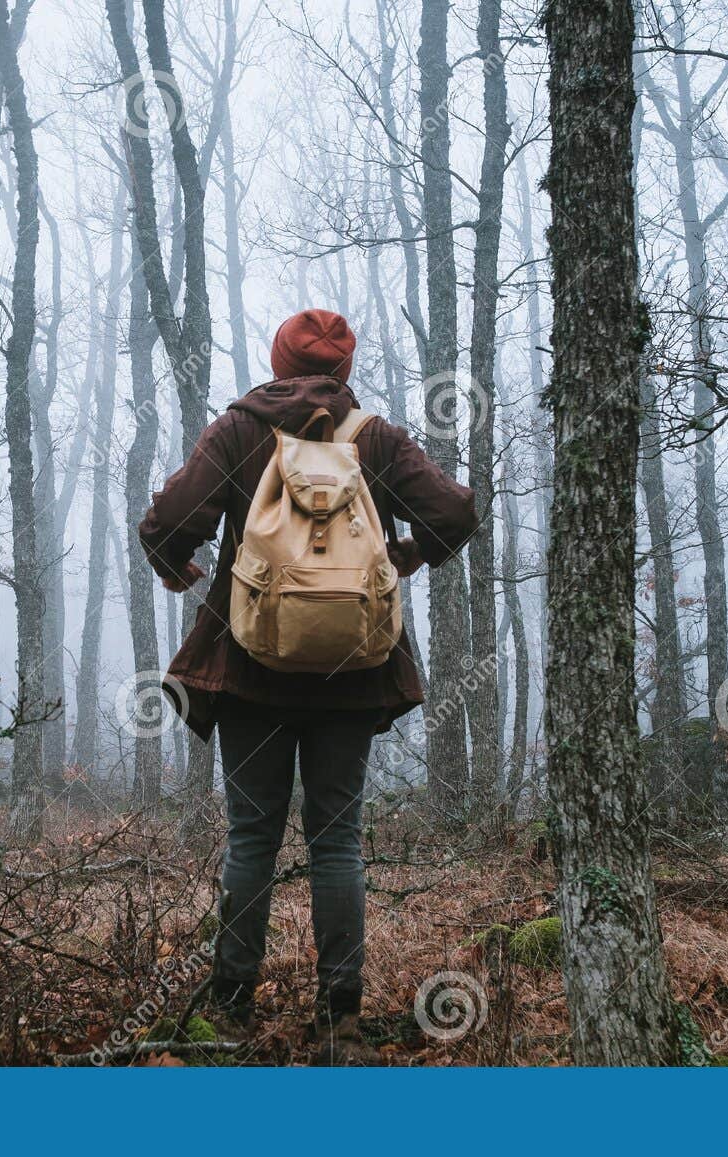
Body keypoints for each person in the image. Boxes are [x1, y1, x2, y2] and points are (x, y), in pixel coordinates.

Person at [138, 308, 477, 1065]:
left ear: (278, 358)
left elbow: (167, 518)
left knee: (252, 838)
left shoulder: (239, 429)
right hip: (350, 676)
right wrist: (410, 553)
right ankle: (340, 1020)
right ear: (342, 369)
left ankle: (229, 1008)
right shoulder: (376, 439)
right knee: (338, 844)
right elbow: (457, 511)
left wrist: (176, 561)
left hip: (249, 672)